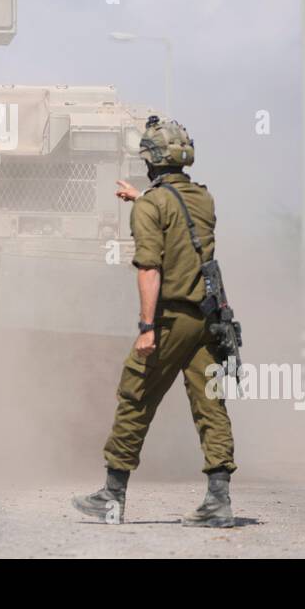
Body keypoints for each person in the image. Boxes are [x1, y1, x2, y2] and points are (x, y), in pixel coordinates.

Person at [71, 117, 236, 526]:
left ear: (151, 160)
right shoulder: (203, 198)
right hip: (207, 318)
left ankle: (112, 496)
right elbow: (176, 218)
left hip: (170, 320)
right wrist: (142, 199)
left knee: (135, 398)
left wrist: (147, 327)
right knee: (210, 406)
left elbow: (149, 268)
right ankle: (219, 502)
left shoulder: (151, 205)